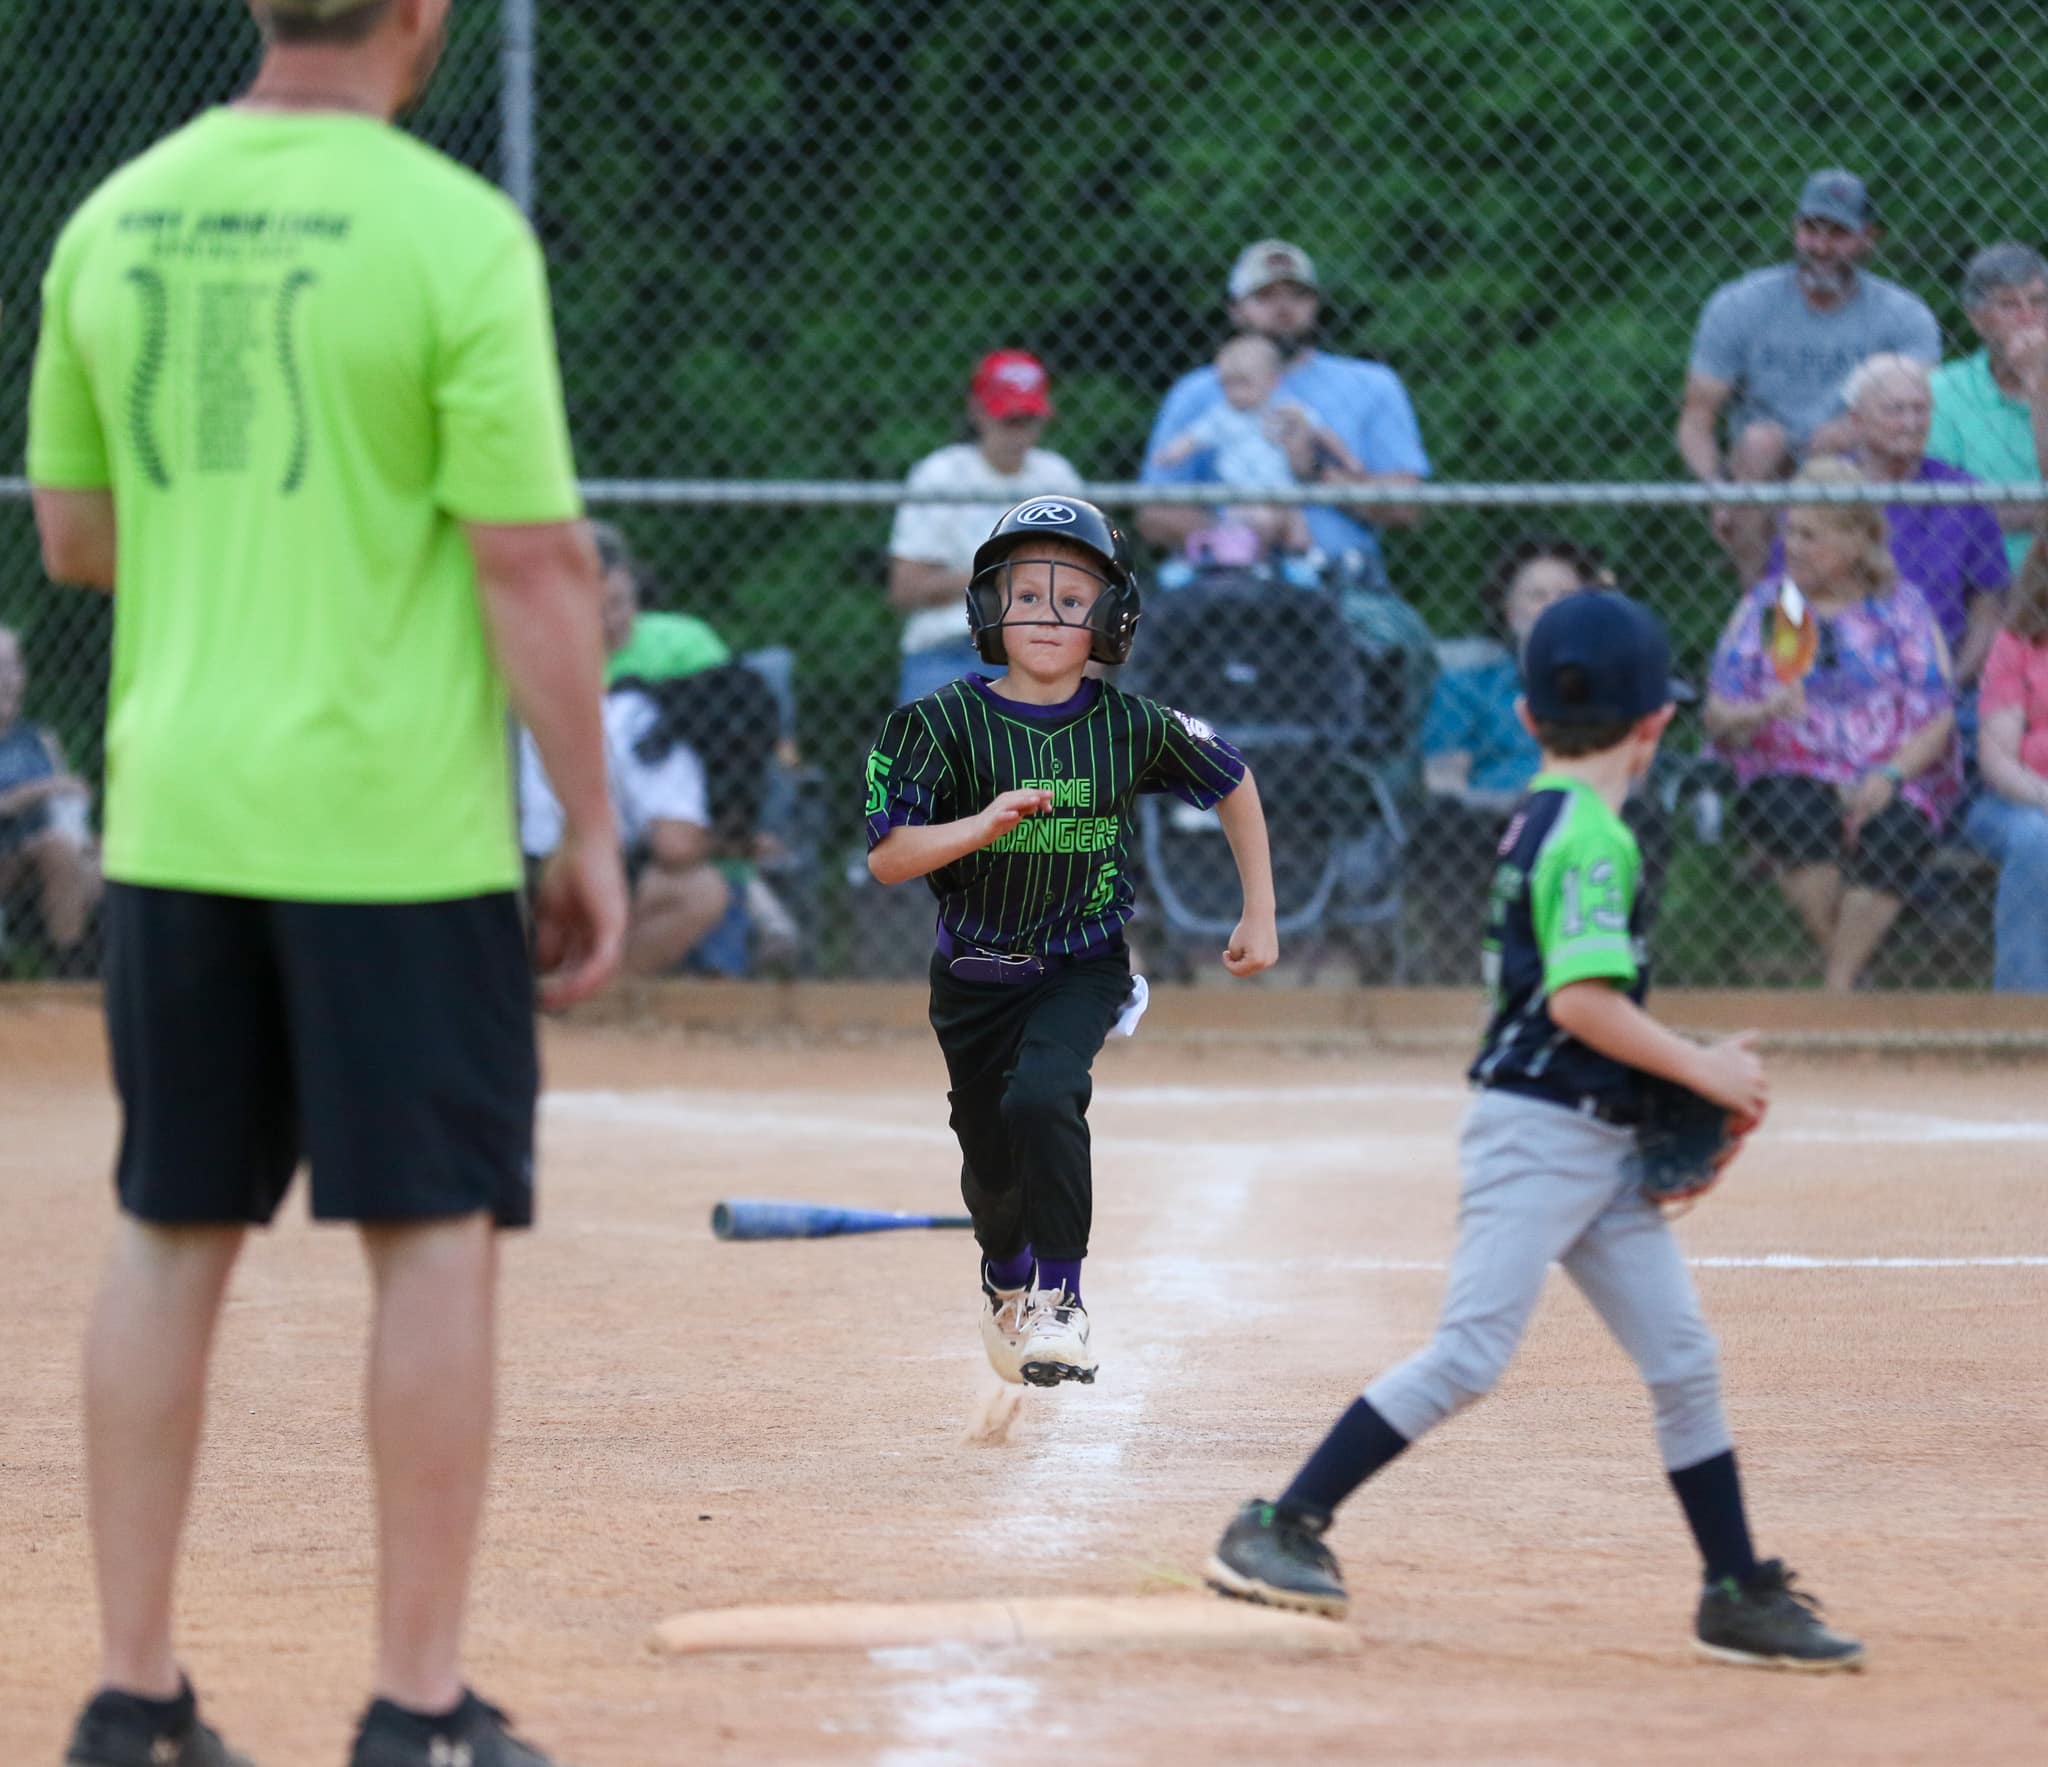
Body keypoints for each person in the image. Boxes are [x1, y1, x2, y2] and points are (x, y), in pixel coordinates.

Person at [27, 3, 627, 1765]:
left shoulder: (117, 212)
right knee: (429, 1234)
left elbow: (75, 535)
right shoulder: (449, 230)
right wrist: (585, 826)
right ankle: (414, 1705)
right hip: (389, 820)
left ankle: (134, 1696)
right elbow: (526, 558)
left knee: (168, 1225)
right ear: (422, 18)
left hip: (181, 804)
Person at [1203, 590, 1865, 1673]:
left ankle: (1733, 1588)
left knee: (1683, 1360)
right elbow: (1578, 1003)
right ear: (1655, 724)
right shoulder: (1595, 838)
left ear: (1521, 718)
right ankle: (1280, 1524)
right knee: (1467, 1353)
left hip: (1585, 1132)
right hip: (1540, 1132)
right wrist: (1700, 1065)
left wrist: (1655, 1081)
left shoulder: (1539, 815)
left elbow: (1575, 1003)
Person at [863, 496, 1277, 1387]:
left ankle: (1061, 1299)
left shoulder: (1131, 724)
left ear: (1108, 616)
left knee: (1045, 1095)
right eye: (1027, 595)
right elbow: (892, 858)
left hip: (1081, 963)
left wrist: (1260, 913)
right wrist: (981, 825)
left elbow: (1233, 779)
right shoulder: (936, 725)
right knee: (990, 1162)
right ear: (989, 609)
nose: (1048, 617)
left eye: (1071, 597)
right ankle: (1006, 1277)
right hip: (973, 976)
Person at [1705, 460, 1960, 992]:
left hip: (1892, 772)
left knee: (1895, 832)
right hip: (1792, 770)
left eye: (1810, 535)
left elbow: (1938, 717)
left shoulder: (1901, 608)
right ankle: (1848, 983)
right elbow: (1718, 717)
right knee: (1792, 812)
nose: (1792, 546)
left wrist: (1888, 776)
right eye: (1789, 531)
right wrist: (1764, 710)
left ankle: (1837, 985)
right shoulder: (1773, 607)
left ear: (1855, 541)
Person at [1413, 538, 1672, 976]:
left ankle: (1608, 965)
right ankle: (1464, 973)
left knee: (1646, 816)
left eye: (1565, 597)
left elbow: (1635, 772)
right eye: (1537, 595)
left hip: (1591, 815)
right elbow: (1442, 782)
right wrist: (1523, 805)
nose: (1552, 608)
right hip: (1491, 819)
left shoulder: (1611, 680)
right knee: (1442, 823)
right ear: (1510, 613)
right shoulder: (1471, 684)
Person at [1678, 170, 1940, 587]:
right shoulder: (1740, 303)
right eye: (1810, 230)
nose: (1820, 247)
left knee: (1837, 438)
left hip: (1859, 464)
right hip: (1765, 472)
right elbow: (1695, 420)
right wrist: (1718, 490)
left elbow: (1919, 409)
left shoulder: (1902, 314)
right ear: (1795, 229)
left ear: (1869, 237)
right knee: (1760, 440)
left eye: (1838, 233)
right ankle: (1760, 599)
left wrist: (1852, 432)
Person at [1139, 239, 1428, 583]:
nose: (1284, 308)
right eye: (1265, 296)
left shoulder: (1372, 384)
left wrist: (1314, 471)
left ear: (1316, 304)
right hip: (1226, 580)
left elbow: (1405, 507)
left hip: (1342, 582)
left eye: (1298, 295)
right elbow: (1154, 513)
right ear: (1235, 309)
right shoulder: (1197, 391)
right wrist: (1243, 539)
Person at [518, 542, 731, 978]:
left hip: (620, 852)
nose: (616, 618)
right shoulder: (534, 668)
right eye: (600, 606)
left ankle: (596, 1001)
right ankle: (565, 994)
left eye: (622, 602)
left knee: (698, 886)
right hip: (535, 858)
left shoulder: (666, 671)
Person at [1764, 354, 2008, 688]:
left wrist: (1950, 685)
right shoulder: (1821, 490)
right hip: (1828, 683)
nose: (1911, 422)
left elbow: (1988, 606)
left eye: (1920, 409)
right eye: (1895, 410)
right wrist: (1791, 681)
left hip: (1938, 680)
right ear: (1856, 420)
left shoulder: (1963, 494)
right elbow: (1787, 597)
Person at [886, 349, 1085, 702]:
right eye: (1008, 419)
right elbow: (905, 588)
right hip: (949, 650)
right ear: (977, 412)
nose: (1019, 434)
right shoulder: (941, 474)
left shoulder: (1057, 477)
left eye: (1028, 420)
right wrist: (999, 576)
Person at [1152, 333, 1361, 558]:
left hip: (1282, 490)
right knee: (1255, 525)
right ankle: (1255, 566)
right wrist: (1171, 454)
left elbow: (1323, 434)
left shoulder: (1286, 410)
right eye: (1227, 385)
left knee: (1298, 527)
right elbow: (1193, 439)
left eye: (1243, 383)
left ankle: (1309, 561)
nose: (1235, 393)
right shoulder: (1223, 416)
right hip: (1241, 494)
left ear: (1272, 381)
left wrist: (1350, 461)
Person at [1927, 242, 2048, 577]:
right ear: (1978, 320)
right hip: (1977, 577)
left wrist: (2038, 383)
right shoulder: (1943, 391)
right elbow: (1945, 511)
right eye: (2009, 305)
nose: (2028, 317)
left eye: (2039, 302)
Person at [1962, 541, 2048, 990]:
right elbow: (1998, 761)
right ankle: (2024, 1017)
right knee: (2039, 839)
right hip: (2018, 804)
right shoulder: (2017, 643)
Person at [0, 623, 103, 970]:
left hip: (44, 846)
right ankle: (70, 968)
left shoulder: (41, 739)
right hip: (6, 852)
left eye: (13, 666)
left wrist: (86, 841)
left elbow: (68, 805)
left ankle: (112, 964)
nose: (6, 678)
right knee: (56, 848)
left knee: (115, 852)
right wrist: (44, 789)